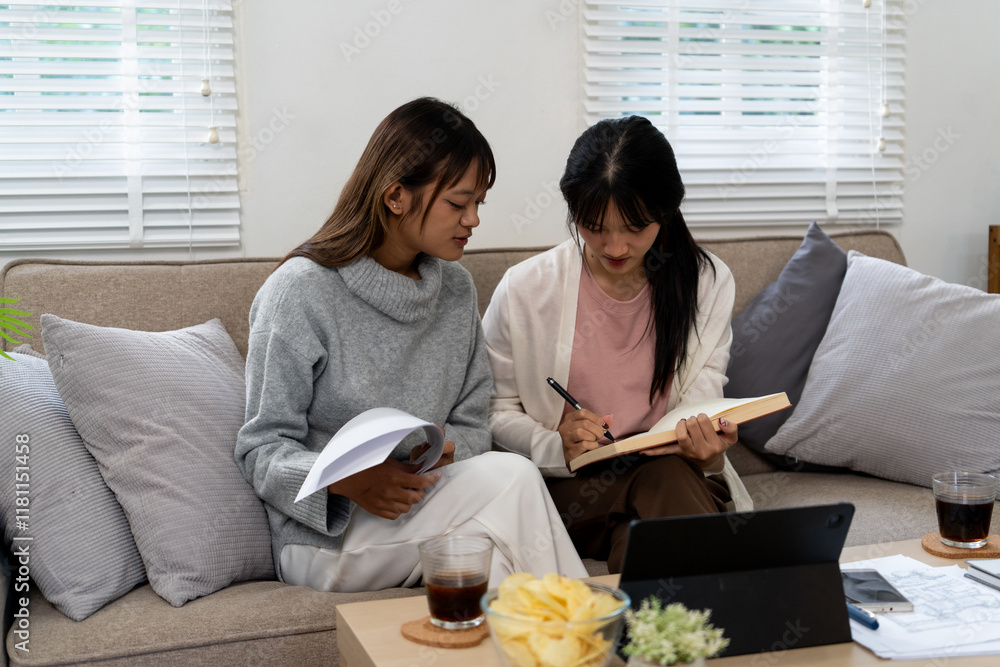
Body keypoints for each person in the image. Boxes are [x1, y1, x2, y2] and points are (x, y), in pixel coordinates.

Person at [235, 97, 588, 592]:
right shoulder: (300, 291)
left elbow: (471, 425)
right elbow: (260, 449)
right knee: (515, 478)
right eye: (458, 203)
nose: (474, 220)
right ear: (396, 196)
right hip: (323, 538)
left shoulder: (457, 291)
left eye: (478, 204)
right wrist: (345, 479)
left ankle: (560, 645)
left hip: (430, 504)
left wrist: (437, 455)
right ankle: (598, 632)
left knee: (503, 568)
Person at [482, 115, 753, 574]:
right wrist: (557, 445)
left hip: (672, 482)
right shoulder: (526, 289)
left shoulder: (706, 282)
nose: (614, 246)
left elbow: (703, 401)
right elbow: (493, 411)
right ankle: (743, 610)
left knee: (643, 538)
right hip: (569, 492)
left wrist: (706, 445)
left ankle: (648, 637)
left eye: (634, 227)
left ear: (666, 212)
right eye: (592, 225)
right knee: (667, 485)